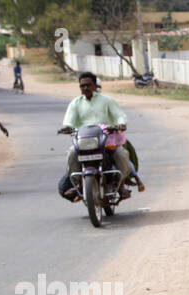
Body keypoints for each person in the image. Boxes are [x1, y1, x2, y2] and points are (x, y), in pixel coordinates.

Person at [59, 71, 137, 200]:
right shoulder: (75, 103)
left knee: (121, 154)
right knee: (72, 153)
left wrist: (121, 123)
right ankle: (78, 184)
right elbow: (69, 120)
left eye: (88, 85)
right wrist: (67, 127)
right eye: (82, 86)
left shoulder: (106, 100)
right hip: (84, 141)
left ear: (95, 86)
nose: (85, 88)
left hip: (105, 140)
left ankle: (121, 185)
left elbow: (119, 115)